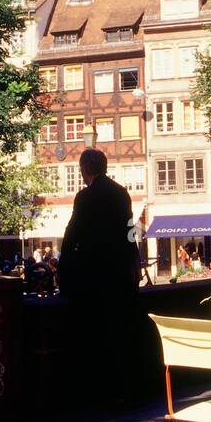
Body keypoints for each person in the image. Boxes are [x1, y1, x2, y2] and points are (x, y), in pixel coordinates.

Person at [58, 148, 141, 401]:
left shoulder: (85, 197)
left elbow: (72, 233)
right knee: (120, 334)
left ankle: (101, 393)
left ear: (85, 170)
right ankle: (123, 391)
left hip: (94, 275)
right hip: (120, 273)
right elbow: (130, 231)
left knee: (97, 334)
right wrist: (134, 261)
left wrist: (63, 267)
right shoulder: (121, 193)